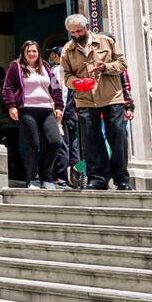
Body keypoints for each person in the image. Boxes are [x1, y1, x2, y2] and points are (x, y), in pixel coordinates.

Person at [59, 14, 131, 191]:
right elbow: (65, 75)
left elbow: (122, 64)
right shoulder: (67, 50)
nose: (76, 35)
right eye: (72, 32)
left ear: (88, 26)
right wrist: (75, 82)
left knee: (118, 136)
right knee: (91, 140)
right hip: (85, 99)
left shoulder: (106, 41)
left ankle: (121, 179)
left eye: (79, 30)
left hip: (111, 96)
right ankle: (98, 178)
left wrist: (105, 67)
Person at [0, 41, 65, 189]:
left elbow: (55, 88)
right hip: (27, 110)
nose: (31, 54)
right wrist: (11, 106)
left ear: (38, 52)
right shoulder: (16, 67)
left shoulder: (46, 67)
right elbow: (7, 87)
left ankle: (46, 175)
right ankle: (33, 178)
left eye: (34, 51)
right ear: (24, 52)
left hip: (47, 110)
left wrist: (59, 106)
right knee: (34, 145)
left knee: (56, 142)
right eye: (28, 51)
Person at [48, 45, 81, 189]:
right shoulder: (72, 71)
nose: (50, 57)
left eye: (52, 54)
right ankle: (78, 174)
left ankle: (61, 177)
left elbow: (60, 92)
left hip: (62, 112)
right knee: (75, 146)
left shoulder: (57, 70)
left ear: (56, 56)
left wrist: (58, 110)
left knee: (63, 144)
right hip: (73, 112)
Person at [0, 65, 22, 184]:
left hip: (7, 124)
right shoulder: (5, 86)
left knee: (11, 149)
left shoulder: (2, 87)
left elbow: (6, 103)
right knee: (13, 149)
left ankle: (16, 174)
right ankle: (16, 173)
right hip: (9, 124)